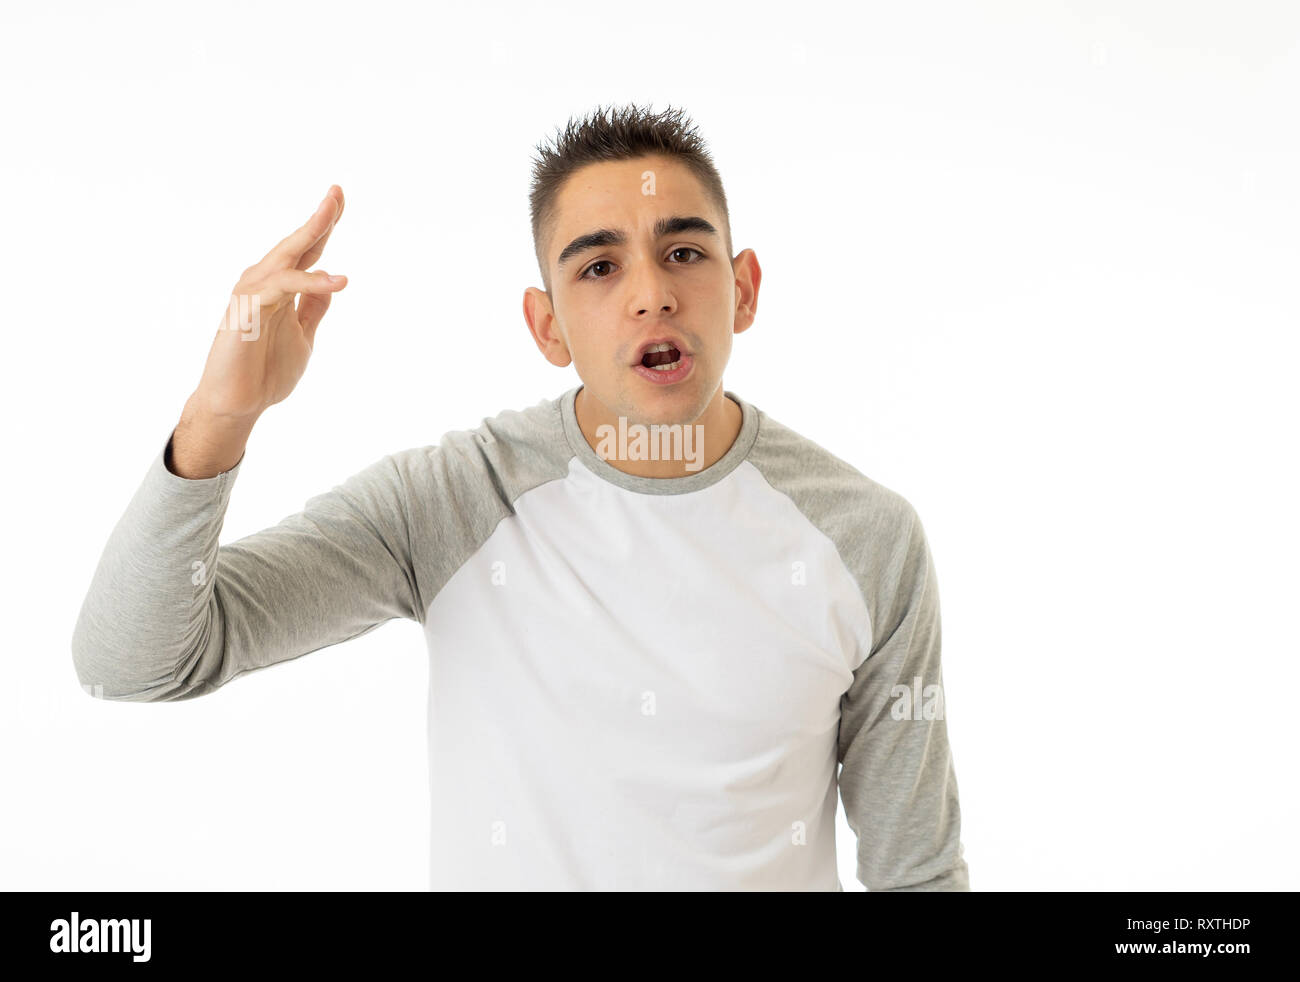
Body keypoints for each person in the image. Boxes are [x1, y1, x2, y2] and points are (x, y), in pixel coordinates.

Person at [71, 103, 969, 892]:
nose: (653, 296)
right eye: (599, 269)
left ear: (742, 290)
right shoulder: (456, 501)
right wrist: (218, 419)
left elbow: (916, 874)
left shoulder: (867, 539)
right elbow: (132, 662)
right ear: (547, 327)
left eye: (684, 252)